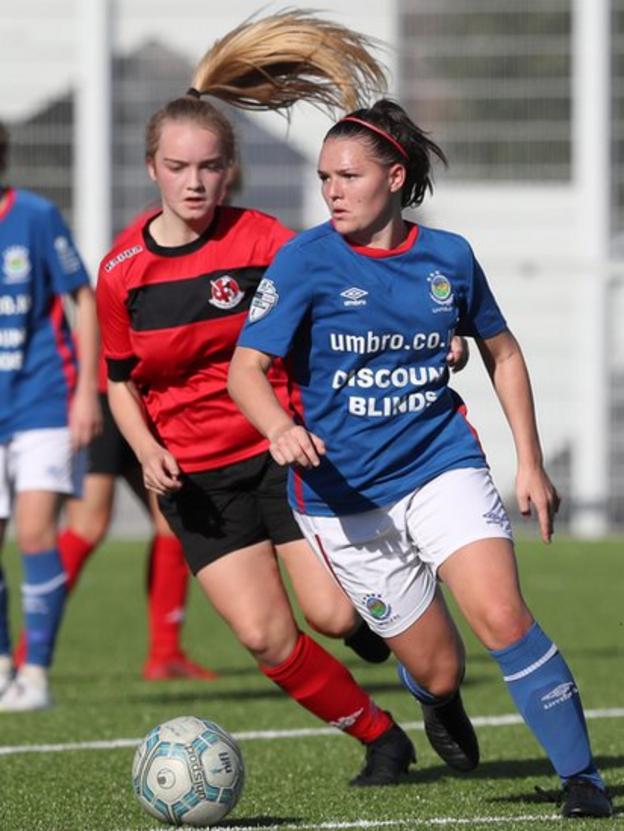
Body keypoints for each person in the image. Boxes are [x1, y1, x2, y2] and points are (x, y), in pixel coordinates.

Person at [228, 99, 613, 818]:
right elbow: (245, 369)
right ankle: (435, 697)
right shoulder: (306, 259)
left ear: (395, 177)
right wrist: (280, 425)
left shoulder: (449, 258)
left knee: (502, 614)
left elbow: (502, 351)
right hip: (344, 501)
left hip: (441, 463)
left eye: (348, 175)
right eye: (324, 177)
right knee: (439, 665)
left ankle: (583, 777)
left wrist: (529, 461)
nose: (332, 190)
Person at [95, 11, 443, 787]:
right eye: (179, 166)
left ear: (230, 170)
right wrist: (148, 447)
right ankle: (384, 737)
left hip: (279, 454)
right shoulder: (122, 271)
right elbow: (122, 381)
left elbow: (347, 309)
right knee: (264, 635)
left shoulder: (265, 243)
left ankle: (416, 663)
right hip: (196, 481)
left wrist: (432, 334)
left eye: (211, 166)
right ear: (152, 167)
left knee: (327, 615)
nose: (195, 182)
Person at [0, 119, 102, 711]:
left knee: (36, 531)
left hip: (43, 399)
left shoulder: (35, 217)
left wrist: (85, 392)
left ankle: (34, 672)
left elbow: (81, 299)